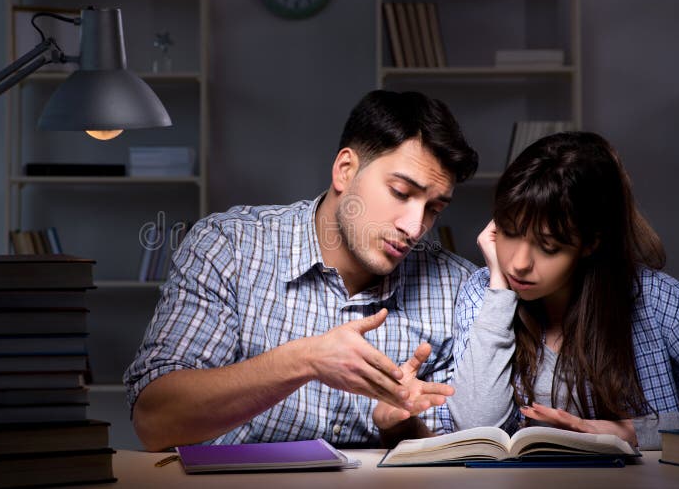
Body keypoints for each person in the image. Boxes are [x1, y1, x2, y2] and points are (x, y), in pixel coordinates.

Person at [123, 90, 479, 450]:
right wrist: (305, 360)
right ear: (345, 171)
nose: (416, 226)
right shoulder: (228, 247)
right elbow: (155, 422)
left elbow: (457, 459)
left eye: (434, 208)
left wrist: (398, 427)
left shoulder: (457, 290)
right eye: (401, 192)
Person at [446, 131, 679, 450]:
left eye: (547, 247)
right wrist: (499, 291)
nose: (518, 264)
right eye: (509, 233)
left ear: (589, 244)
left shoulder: (656, 299)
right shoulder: (483, 291)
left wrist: (631, 432)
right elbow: (474, 427)